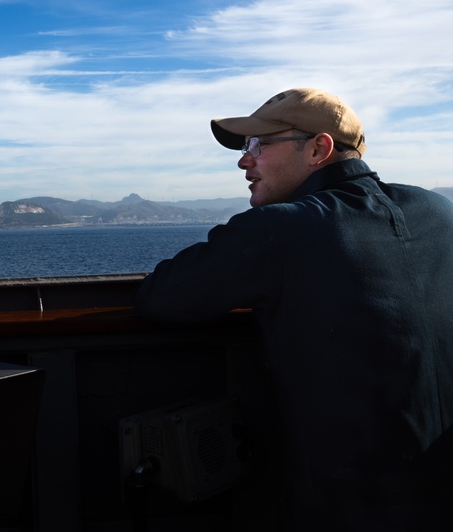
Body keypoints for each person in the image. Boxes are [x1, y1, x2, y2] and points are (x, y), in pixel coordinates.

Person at [134, 88, 453, 530]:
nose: (245, 161)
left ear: (319, 149)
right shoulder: (441, 212)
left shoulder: (281, 229)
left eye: (258, 145)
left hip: (352, 510)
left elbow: (160, 295)